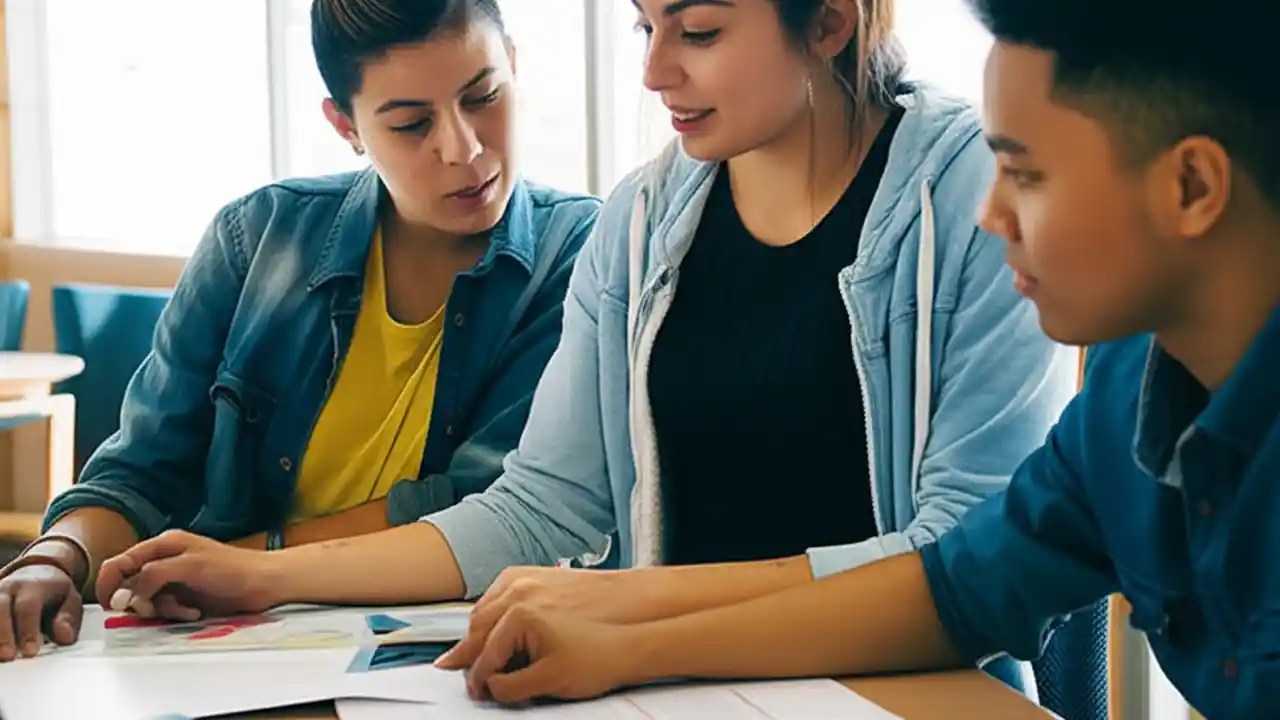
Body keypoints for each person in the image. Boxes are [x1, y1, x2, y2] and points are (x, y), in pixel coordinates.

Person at [89, 0, 1072, 689]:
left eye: (696, 31)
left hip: (904, 689)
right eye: (645, 28)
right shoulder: (640, 221)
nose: (654, 72)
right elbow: (538, 509)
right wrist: (261, 577)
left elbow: (960, 552)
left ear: (827, 22)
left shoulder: (977, 194)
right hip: (681, 688)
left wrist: (632, 614)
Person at [425, 0, 1280, 716]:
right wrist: (629, 643)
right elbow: (950, 590)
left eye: (1027, 176)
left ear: (1191, 188)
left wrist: (630, 621)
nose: (991, 215)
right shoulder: (1126, 400)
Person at [0, 0, 599, 661]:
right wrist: (56, 557)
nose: (464, 148)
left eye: (483, 97)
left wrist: (248, 568)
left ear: (512, 64)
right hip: (217, 650)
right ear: (346, 126)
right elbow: (141, 471)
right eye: (411, 124)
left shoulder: (580, 254)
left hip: (444, 647)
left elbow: (492, 506)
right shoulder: (256, 239)